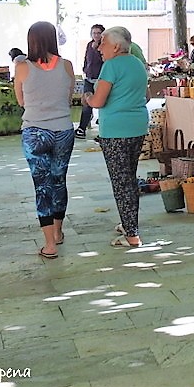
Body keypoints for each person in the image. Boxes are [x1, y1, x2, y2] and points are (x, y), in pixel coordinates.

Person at [13, 21, 76, 260]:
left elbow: (21, 101)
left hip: (34, 132)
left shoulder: (22, 67)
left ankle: (49, 244)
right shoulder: (67, 66)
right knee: (59, 179)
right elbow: (69, 97)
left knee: (42, 185)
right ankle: (59, 231)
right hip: (63, 129)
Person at [83, 26, 149, 248]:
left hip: (116, 131)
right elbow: (146, 95)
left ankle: (132, 235)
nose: (99, 47)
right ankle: (129, 223)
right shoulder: (138, 64)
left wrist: (88, 97)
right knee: (129, 177)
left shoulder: (111, 66)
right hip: (137, 126)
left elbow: (98, 101)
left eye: (103, 42)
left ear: (116, 46)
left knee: (122, 182)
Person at [77, 24, 105, 139]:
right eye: (94, 33)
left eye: (98, 33)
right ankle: (81, 129)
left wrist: (96, 49)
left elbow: (103, 60)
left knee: (102, 104)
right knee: (86, 103)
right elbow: (86, 59)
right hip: (89, 78)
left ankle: (103, 131)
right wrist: (85, 69)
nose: (96, 35)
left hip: (101, 79)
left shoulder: (105, 46)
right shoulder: (89, 44)